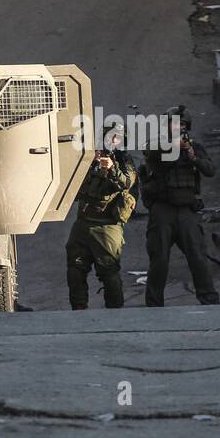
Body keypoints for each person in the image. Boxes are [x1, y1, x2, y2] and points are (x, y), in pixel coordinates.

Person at [142, 106, 219, 306]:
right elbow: (159, 161)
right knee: (160, 260)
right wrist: (176, 148)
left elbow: (210, 170)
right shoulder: (156, 145)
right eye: (174, 123)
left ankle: (209, 299)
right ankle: (153, 303)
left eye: (182, 124)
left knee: (198, 257)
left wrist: (193, 157)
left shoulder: (194, 147)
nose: (179, 127)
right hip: (163, 209)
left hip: (186, 210)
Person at [65, 127, 137, 310]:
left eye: (117, 139)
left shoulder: (124, 161)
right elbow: (73, 185)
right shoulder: (89, 158)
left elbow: (127, 183)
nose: (112, 142)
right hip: (83, 223)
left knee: (109, 272)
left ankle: (114, 313)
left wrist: (112, 169)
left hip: (107, 226)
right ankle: (79, 309)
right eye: (109, 137)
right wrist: (89, 164)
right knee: (75, 269)